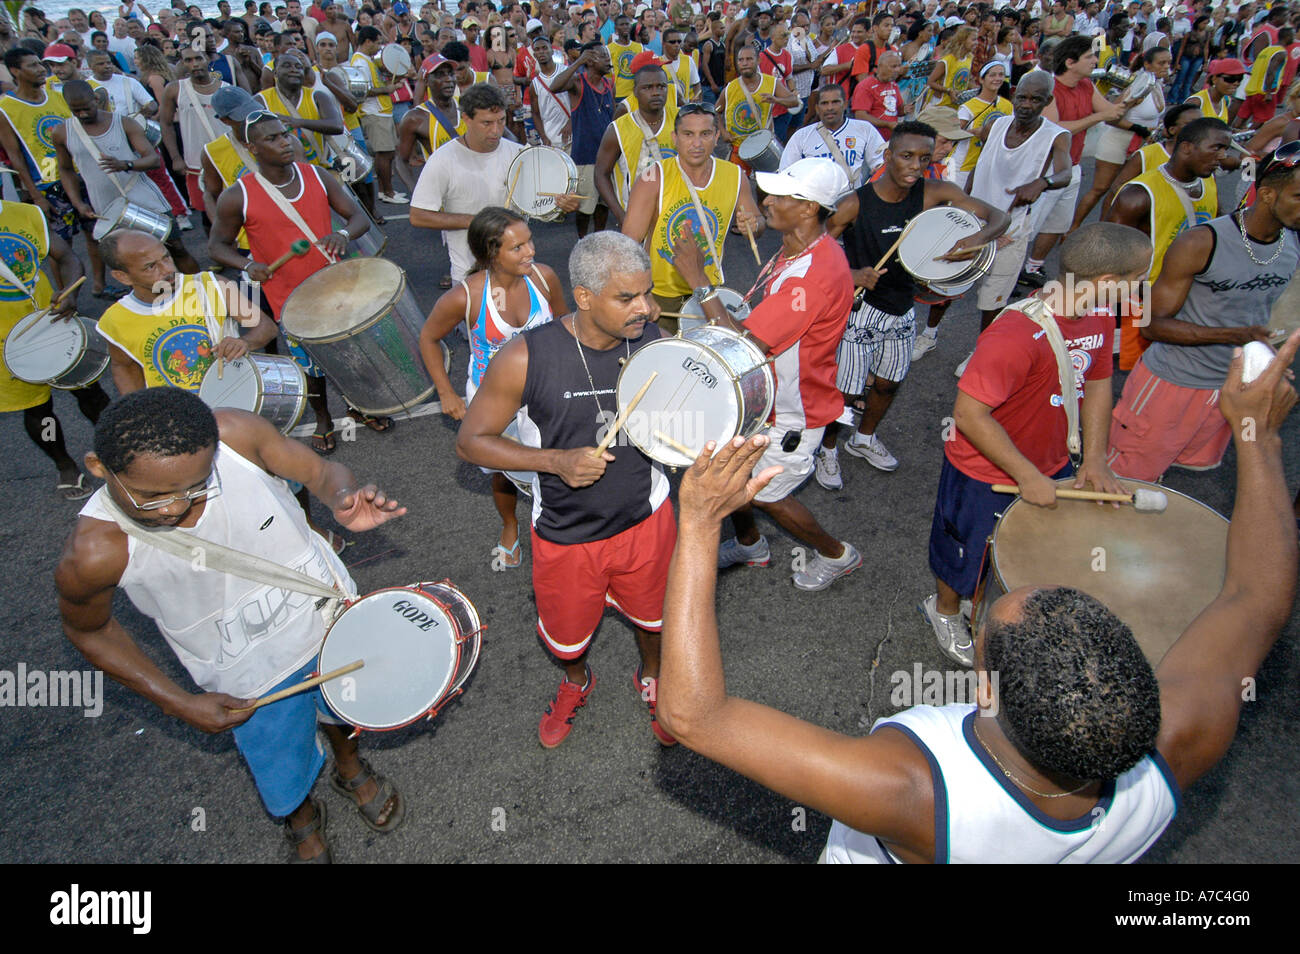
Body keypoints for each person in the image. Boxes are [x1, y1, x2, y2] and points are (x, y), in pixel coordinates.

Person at [658, 322, 1300, 863]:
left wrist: (698, 522)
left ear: (985, 686)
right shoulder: (1177, 744)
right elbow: (1255, 599)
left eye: (991, 620)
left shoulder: (916, 792)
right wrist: (1258, 438)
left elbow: (694, 717)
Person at [55, 388, 408, 863]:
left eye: (196, 485)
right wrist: (179, 703)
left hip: (327, 622)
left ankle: (350, 767)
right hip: (249, 677)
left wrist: (343, 496)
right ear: (99, 467)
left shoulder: (236, 436)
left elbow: (322, 473)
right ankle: (300, 816)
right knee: (279, 762)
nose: (174, 508)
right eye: (151, 495)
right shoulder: (97, 551)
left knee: (344, 709)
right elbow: (89, 631)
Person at [455, 232, 678, 749]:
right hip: (565, 533)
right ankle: (577, 680)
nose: (644, 308)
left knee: (654, 618)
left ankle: (653, 675)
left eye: (646, 293)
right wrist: (554, 462)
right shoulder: (524, 357)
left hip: (647, 520)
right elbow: (471, 442)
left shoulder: (649, 339)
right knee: (567, 635)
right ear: (583, 297)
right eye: (627, 298)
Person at [921, 223, 1143, 666]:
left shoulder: (1100, 316)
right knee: (965, 550)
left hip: (1050, 463)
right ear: (1106, 284)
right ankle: (944, 609)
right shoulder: (1015, 335)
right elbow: (968, 415)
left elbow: (1099, 384)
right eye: (1137, 281)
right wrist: (1025, 475)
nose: (1142, 290)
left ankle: (983, 604)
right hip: (986, 473)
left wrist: (1095, 460)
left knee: (1019, 547)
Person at [670, 158, 859, 591]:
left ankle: (837, 554)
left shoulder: (811, 274)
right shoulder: (800, 248)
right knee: (732, 469)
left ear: (810, 208)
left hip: (792, 411)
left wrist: (700, 280)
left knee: (767, 493)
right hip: (766, 399)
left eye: (779, 196)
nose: (766, 202)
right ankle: (751, 543)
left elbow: (744, 349)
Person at [819, 119, 1008, 479]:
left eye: (923, 158)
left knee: (889, 384)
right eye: (906, 156)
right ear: (888, 156)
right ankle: (826, 450)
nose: (915, 166)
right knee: (844, 393)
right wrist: (850, 274)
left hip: (904, 310)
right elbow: (813, 250)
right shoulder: (853, 204)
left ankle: (863, 437)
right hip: (860, 311)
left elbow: (1001, 217)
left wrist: (977, 238)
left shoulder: (934, 192)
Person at [1108, 143, 1300, 483]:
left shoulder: (1292, 244)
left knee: (1174, 479)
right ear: (1268, 194)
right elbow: (1152, 326)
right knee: (1124, 479)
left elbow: (1253, 312)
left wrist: (1263, 357)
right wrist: (1236, 337)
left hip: (1228, 389)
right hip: (1173, 383)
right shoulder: (1201, 242)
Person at [208, 110, 380, 454]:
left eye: (285, 134)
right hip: (289, 296)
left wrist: (343, 235)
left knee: (350, 351)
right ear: (250, 147)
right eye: (272, 138)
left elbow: (358, 216)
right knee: (310, 364)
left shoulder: (317, 176)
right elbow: (216, 247)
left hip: (335, 283)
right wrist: (248, 264)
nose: (285, 142)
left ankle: (358, 406)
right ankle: (323, 419)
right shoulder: (237, 195)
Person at [419, 207, 567, 568]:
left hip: (545, 397)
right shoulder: (466, 297)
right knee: (503, 470)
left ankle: (557, 537)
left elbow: (566, 326)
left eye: (529, 241)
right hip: (494, 403)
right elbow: (428, 338)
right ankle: (510, 524)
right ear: (491, 253)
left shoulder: (544, 279)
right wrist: (446, 392)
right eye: (517, 248)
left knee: (556, 467)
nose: (530, 252)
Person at [411, 83, 579, 285]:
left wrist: (563, 206)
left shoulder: (519, 154)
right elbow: (418, 216)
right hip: (471, 274)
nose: (496, 130)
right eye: (487, 123)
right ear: (466, 119)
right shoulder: (443, 160)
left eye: (501, 121)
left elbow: (540, 205)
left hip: (519, 269)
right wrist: (480, 222)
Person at [0, 198, 108, 500]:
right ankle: (64, 464)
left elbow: (67, 258)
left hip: (52, 323)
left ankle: (118, 446)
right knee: (39, 410)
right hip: (5, 344)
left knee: (89, 392)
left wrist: (70, 291)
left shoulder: (26, 214)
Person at [621, 102, 763, 330]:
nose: (697, 143)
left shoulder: (735, 176)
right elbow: (628, 243)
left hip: (708, 288)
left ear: (717, 136)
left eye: (705, 134)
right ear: (674, 137)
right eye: (688, 134)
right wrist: (641, 294)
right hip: (659, 293)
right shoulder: (654, 176)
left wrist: (753, 225)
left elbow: (758, 223)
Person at [1104, 117, 1228, 372]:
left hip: (1194, 295)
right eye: (1216, 148)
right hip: (1148, 300)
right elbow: (1112, 252)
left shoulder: (1208, 183)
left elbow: (1217, 229)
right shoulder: (1137, 195)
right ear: (1186, 148)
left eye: (1225, 149)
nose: (1223, 156)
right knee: (1139, 371)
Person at [95, 229, 277, 394]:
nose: (168, 269)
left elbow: (267, 326)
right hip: (178, 418)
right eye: (151, 266)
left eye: (166, 258)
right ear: (123, 277)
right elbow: (124, 368)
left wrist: (244, 342)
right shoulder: (115, 320)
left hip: (233, 399)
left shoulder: (211, 285)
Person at [52, 80, 199, 279]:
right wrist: (78, 203)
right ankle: (163, 303)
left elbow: (153, 159)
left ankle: (204, 292)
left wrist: (126, 164)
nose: (82, 114)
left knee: (176, 248)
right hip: (108, 209)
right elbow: (65, 169)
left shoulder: (123, 123)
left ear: (96, 99)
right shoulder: (62, 132)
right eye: (76, 110)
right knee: (136, 263)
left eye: (86, 108)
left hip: (145, 200)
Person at [1021, 35, 1130, 289]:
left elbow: (1111, 113)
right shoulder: (1049, 89)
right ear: (1070, 62)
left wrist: (1128, 101)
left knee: (1058, 223)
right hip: (1046, 169)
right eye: (1090, 56)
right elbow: (1057, 129)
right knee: (1030, 225)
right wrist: (1100, 116)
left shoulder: (1087, 86)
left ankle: (1032, 267)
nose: (1095, 60)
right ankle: (1010, 270)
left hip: (1074, 165)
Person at [1073, 45, 1171, 231]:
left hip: (1138, 146)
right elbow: (1112, 117)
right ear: (1148, 64)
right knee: (1100, 189)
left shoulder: (1155, 83)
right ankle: (1072, 228)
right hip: (1117, 142)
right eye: (1161, 63)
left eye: (1168, 63)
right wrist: (1140, 129)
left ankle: (1102, 231)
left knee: (1119, 191)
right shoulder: (1140, 86)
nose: (1166, 66)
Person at [594, 55, 677, 227]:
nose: (656, 92)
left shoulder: (681, 119)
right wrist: (621, 215)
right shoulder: (617, 129)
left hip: (676, 213)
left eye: (661, 86)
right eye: (648, 87)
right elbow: (600, 174)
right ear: (636, 91)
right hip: (638, 216)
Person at [158, 43, 229, 222]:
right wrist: (175, 157)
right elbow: (165, 124)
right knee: (208, 215)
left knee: (236, 208)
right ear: (182, 64)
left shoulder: (226, 88)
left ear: (207, 60)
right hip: (196, 163)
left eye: (198, 58)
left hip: (228, 159)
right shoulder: (175, 89)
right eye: (188, 60)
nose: (195, 64)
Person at [550, 43, 615, 237]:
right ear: (590, 59)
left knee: (604, 205)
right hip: (585, 156)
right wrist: (578, 61)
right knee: (585, 206)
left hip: (607, 157)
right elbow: (555, 86)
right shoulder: (578, 82)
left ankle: (599, 239)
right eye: (603, 56)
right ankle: (582, 240)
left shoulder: (608, 85)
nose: (608, 61)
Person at [781, 81, 883, 191]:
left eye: (835, 102)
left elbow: (881, 164)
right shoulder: (801, 136)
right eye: (824, 103)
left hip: (851, 200)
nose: (830, 108)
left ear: (845, 104)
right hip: (814, 201)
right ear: (817, 108)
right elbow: (786, 172)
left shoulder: (864, 129)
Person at [256, 47, 345, 168]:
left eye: (299, 67)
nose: (294, 70)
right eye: (287, 66)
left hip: (320, 168)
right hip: (284, 172)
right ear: (275, 72)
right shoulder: (261, 100)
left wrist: (298, 122)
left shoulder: (317, 96)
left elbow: (337, 126)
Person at [719, 45, 798, 174]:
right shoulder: (730, 88)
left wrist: (777, 100)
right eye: (741, 60)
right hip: (738, 147)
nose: (745, 63)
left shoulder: (771, 83)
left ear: (758, 61)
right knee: (739, 185)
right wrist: (723, 132)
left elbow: (794, 101)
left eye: (749, 59)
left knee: (765, 186)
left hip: (764, 146)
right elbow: (716, 111)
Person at [351, 24, 405, 204]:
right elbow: (363, 90)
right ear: (367, 42)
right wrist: (388, 89)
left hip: (381, 111)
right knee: (384, 153)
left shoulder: (366, 60)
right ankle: (388, 193)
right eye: (377, 43)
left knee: (388, 153)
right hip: (374, 113)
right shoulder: (360, 62)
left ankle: (384, 190)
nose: (379, 47)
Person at [851, 49, 904, 143]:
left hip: (890, 140)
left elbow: (899, 111)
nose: (898, 70)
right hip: (871, 141)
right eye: (893, 66)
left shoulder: (893, 84)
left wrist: (906, 109)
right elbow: (861, 116)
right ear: (880, 67)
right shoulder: (866, 86)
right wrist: (887, 124)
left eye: (899, 66)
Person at [606, 13, 643, 101]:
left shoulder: (639, 47)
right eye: (622, 25)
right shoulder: (608, 49)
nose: (625, 27)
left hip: (636, 93)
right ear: (616, 28)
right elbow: (607, 75)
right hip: (619, 94)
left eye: (627, 24)